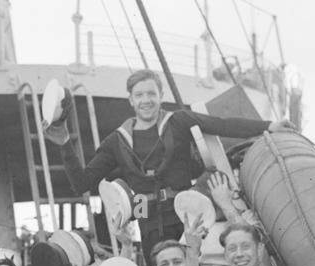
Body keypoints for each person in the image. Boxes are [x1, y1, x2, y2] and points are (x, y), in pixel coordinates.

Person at [43, 69, 278, 256]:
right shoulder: (116, 140)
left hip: (186, 216)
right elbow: (81, 183)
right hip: (148, 222)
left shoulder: (178, 121)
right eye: (139, 95)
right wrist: (64, 143)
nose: (146, 100)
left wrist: (268, 126)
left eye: (151, 94)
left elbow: (222, 124)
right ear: (131, 101)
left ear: (160, 96)